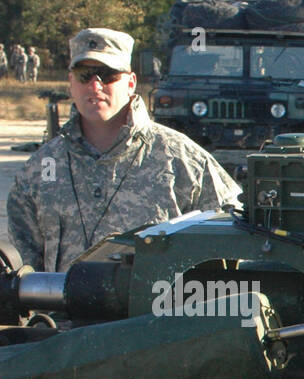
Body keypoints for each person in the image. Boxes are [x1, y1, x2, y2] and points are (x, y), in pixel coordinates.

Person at [6, 28, 241, 273]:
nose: (95, 85)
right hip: (63, 309)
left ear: (131, 83)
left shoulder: (182, 159)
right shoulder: (41, 168)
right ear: (71, 83)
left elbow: (233, 231)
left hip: (156, 309)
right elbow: (24, 266)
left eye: (107, 75)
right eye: (84, 75)